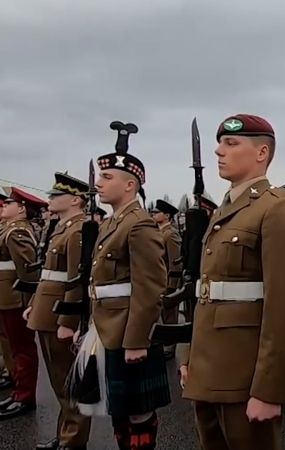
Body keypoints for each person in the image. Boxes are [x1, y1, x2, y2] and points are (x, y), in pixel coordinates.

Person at [179, 114, 285, 450]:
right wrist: (188, 354)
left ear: (261, 152)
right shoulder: (224, 210)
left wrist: (269, 389)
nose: (219, 151)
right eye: (220, 143)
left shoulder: (275, 209)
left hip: (244, 374)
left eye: (231, 143)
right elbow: (205, 291)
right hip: (210, 368)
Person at [91, 140, 170, 449]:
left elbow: (150, 288)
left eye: (107, 177)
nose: (98, 182)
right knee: (120, 410)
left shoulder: (139, 225)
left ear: (129, 185)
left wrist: (137, 339)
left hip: (128, 330)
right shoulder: (112, 223)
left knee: (138, 413)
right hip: (110, 327)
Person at [25, 172, 92, 450]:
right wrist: (33, 305)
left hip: (59, 314)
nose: (51, 198)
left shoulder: (78, 231)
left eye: (57, 195)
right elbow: (49, 275)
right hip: (47, 310)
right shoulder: (63, 227)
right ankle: (64, 433)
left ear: (76, 200)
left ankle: (73, 440)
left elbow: (77, 280)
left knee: (68, 382)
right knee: (58, 383)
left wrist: (70, 320)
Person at [0, 188, 44, 420]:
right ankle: (18, 389)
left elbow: (27, 272)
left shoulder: (17, 233)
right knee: (11, 348)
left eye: (9, 204)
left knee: (22, 348)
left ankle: (25, 395)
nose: (4, 206)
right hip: (5, 296)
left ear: (21, 209)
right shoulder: (7, 230)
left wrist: (29, 303)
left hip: (15, 298)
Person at [149, 199, 182, 360]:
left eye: (157, 212)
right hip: (157, 281)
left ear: (167, 215)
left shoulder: (170, 234)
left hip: (167, 282)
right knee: (160, 314)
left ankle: (170, 345)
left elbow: (175, 262)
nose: (154, 215)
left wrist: (172, 286)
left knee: (170, 316)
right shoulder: (158, 232)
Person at [0, 192, 15, 390]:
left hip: (10, 293)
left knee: (13, 341)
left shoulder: (15, 231)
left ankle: (17, 379)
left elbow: (25, 269)